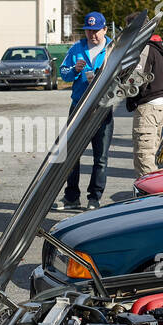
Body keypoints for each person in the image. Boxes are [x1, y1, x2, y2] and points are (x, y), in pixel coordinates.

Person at [53, 11, 112, 212]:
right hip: (78, 106)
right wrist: (75, 70)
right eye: (89, 31)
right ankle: (71, 197)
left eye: (96, 31)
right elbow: (63, 73)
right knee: (71, 153)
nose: (92, 35)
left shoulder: (113, 49)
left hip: (102, 107)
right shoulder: (76, 48)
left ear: (105, 29)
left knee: (100, 156)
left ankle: (94, 199)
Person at [128, 31, 163, 178]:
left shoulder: (145, 48)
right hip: (159, 104)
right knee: (150, 153)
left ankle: (150, 196)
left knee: (143, 158)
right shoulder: (158, 46)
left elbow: (137, 80)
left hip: (148, 107)